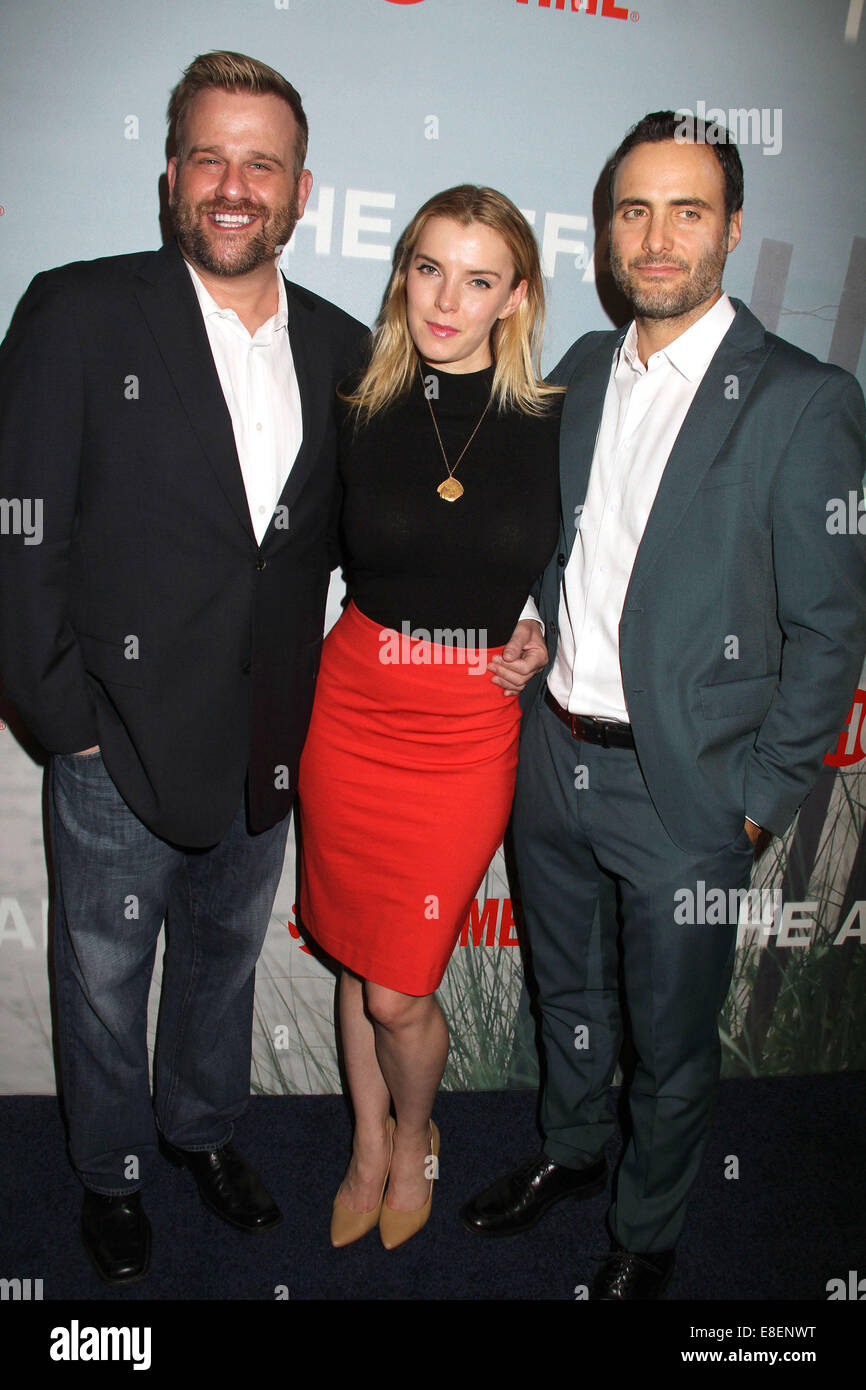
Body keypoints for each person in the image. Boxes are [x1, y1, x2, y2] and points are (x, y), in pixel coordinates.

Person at [460, 112, 866, 1298]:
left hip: (689, 788)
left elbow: (829, 629)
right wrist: (538, 615)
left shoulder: (801, 399)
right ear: (604, 228)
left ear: (731, 228)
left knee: (672, 1039)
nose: (654, 235)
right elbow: (569, 540)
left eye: (686, 209)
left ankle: (643, 1233)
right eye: (632, 208)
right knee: (566, 990)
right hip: (553, 761)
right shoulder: (581, 367)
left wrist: (754, 804)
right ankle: (573, 1154)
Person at [0, 50, 365, 1285]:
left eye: (260, 162)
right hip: (116, 742)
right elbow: (21, 527)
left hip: (267, 742)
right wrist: (67, 721)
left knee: (220, 966)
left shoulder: (342, 346)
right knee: (102, 984)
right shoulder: (79, 309)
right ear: (170, 177)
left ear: (300, 190)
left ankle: (200, 1132)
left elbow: (377, 537)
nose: (232, 183)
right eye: (209, 155)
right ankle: (108, 1175)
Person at [296, 185, 561, 1249]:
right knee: (362, 962)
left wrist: (543, 626)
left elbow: (609, 546)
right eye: (427, 268)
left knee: (401, 988)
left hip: (464, 725)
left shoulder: (555, 420)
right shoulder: (354, 398)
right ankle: (367, 1144)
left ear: (515, 297)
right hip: (352, 701)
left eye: (478, 277)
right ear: (401, 271)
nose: (445, 299)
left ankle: (416, 1133)